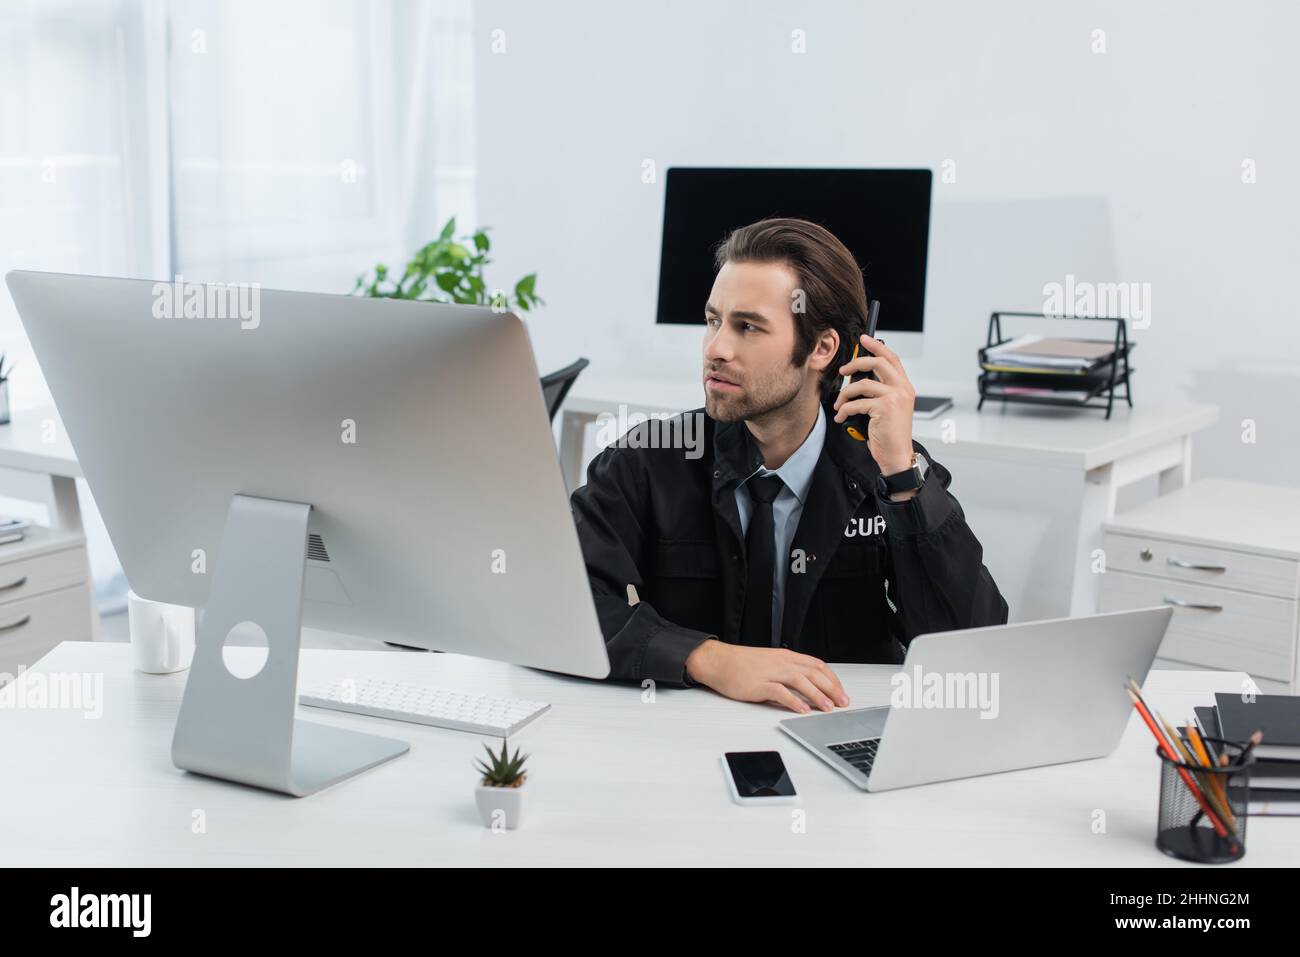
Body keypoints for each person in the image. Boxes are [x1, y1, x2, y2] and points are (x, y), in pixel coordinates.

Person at [570, 217, 1008, 713]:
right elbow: (559, 607)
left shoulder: (891, 471)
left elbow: (975, 649)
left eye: (748, 327)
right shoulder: (648, 460)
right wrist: (708, 658)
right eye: (714, 320)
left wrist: (903, 480)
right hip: (688, 736)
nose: (716, 349)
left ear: (822, 348)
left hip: (844, 729)